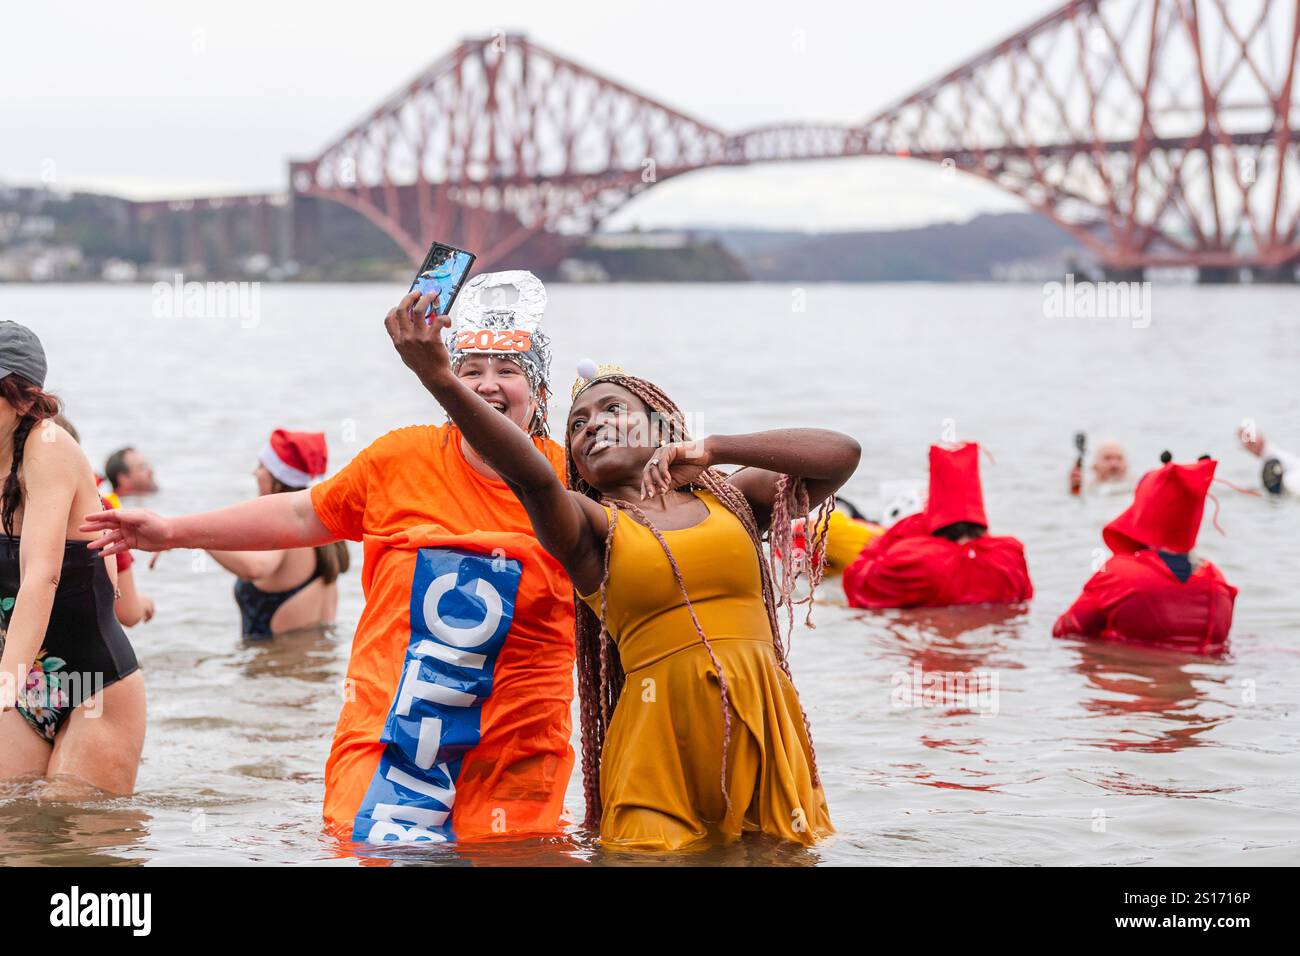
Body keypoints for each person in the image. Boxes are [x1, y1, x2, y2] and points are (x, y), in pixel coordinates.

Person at [83, 272, 576, 844]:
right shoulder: (401, 460)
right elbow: (299, 516)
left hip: (515, 761)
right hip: (387, 755)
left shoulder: (573, 485)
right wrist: (172, 530)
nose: (486, 385)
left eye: (508, 371)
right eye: (470, 370)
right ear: (447, 381)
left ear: (539, 391)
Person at [389, 298, 860, 852]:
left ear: (662, 425)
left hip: (764, 724)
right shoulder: (589, 526)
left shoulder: (735, 499)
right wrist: (442, 379)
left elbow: (840, 454)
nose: (592, 427)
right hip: (653, 741)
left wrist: (714, 449)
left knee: (777, 855)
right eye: (578, 425)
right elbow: (532, 478)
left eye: (613, 409)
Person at [0, 321, 146, 795]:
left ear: (25, 398)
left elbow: (41, 576)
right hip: (21, 689)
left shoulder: (48, 447)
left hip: (94, 683)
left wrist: (7, 684)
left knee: (74, 836)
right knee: (15, 836)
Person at [1053, 456, 1236, 656]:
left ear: (1145, 509)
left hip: (1127, 681)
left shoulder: (1118, 575)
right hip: (1196, 683)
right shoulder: (1217, 585)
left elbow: (1065, 631)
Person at [843, 442, 1032, 608]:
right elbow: (1025, 598)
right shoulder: (1009, 553)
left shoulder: (915, 556)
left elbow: (857, 583)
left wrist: (898, 531)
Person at [205, 429, 349, 638]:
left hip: (277, 667)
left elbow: (255, 568)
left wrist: (198, 540)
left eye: (262, 466)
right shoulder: (322, 524)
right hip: (317, 663)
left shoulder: (284, 525)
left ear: (279, 478)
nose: (255, 473)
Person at [55, 415, 154, 627]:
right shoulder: (102, 511)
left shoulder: (9, 512)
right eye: (143, 466)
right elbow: (128, 613)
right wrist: (144, 603)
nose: (151, 471)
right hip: (91, 649)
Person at [1238, 422, 1297, 496]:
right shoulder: (1269, 458)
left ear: (1261, 437)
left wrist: (1262, 495)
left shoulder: (1274, 459)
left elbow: (1278, 493)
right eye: (1246, 442)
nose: (1250, 444)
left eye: (1251, 441)